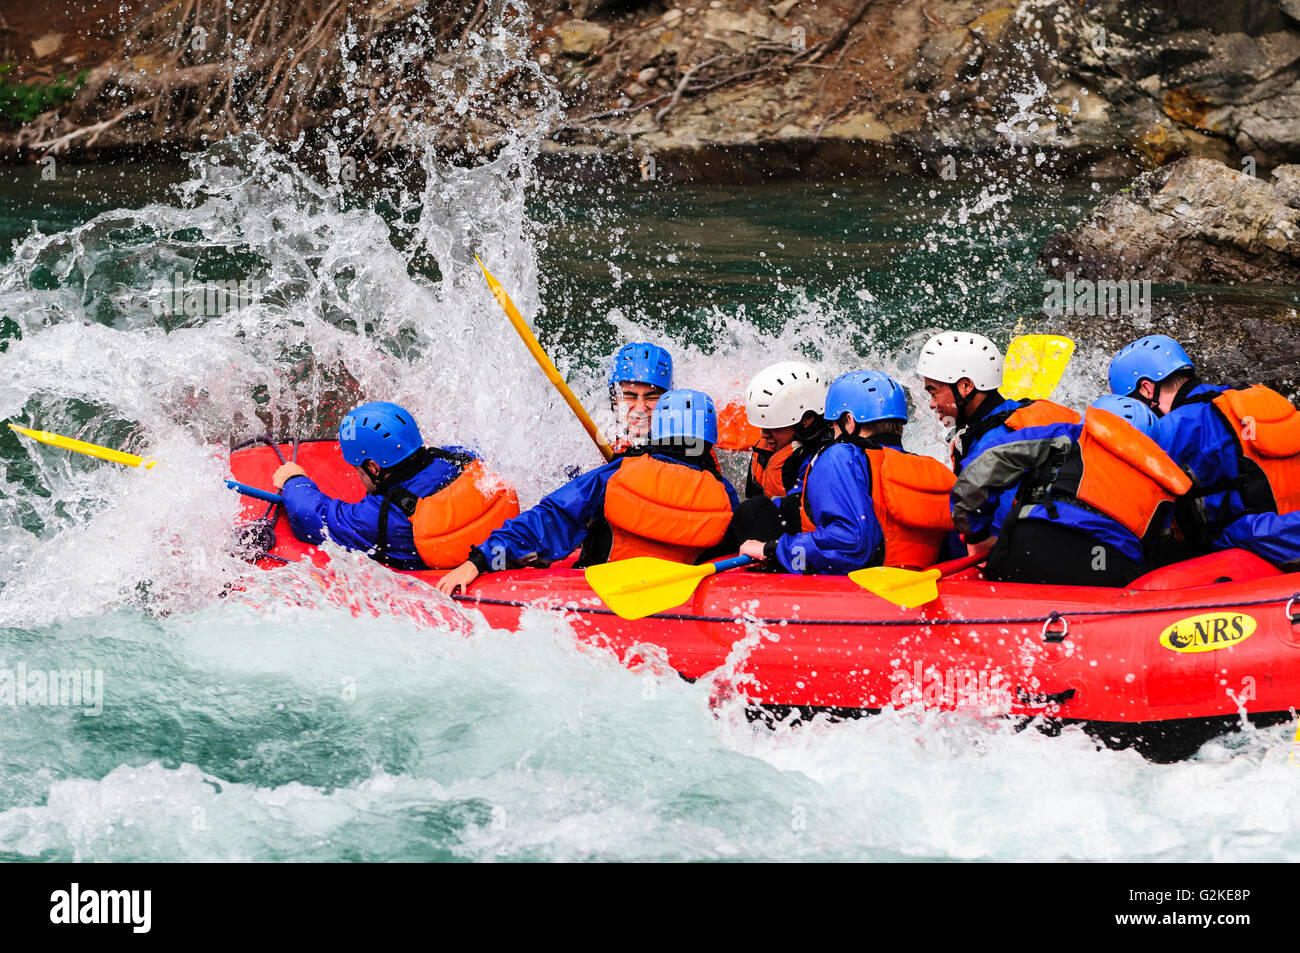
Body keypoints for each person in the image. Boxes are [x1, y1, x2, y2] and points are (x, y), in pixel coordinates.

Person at [436, 389, 738, 594]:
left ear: (659, 427)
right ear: (709, 436)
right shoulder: (725, 495)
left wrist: (480, 560)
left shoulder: (616, 475)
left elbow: (549, 518)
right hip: (676, 602)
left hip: (596, 596)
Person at [1108, 334, 1300, 567]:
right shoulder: (1246, 396)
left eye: (1130, 404)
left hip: (1261, 548)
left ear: (1147, 389)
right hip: (1291, 527)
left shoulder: (1173, 429)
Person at [737, 370, 955, 574]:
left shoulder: (841, 455)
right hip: (914, 587)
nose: (833, 432)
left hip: (857, 590)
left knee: (753, 510)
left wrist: (773, 551)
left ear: (849, 422)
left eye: (834, 426)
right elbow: (954, 551)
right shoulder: (936, 470)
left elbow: (849, 546)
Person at [969, 395, 1192, 587]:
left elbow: (981, 469)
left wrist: (976, 536)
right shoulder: (1163, 480)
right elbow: (1164, 552)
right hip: (1109, 568)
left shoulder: (1067, 435)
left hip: (1033, 546)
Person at [272, 401, 519, 570]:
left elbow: (314, 519)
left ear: (374, 467)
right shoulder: (459, 457)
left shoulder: (381, 517)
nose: (357, 474)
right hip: (498, 553)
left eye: (357, 468)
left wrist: (293, 480)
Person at [916, 331, 1079, 553]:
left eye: (934, 393)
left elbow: (991, 537)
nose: (932, 405)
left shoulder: (989, 446)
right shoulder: (1017, 409)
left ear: (965, 386)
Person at [742, 360, 830, 499]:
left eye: (773, 426)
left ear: (806, 420)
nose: (763, 434)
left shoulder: (823, 462)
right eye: (764, 426)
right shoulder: (769, 445)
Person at [608, 342, 673, 452]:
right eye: (629, 397)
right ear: (614, 401)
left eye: (652, 397)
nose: (640, 409)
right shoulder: (592, 446)